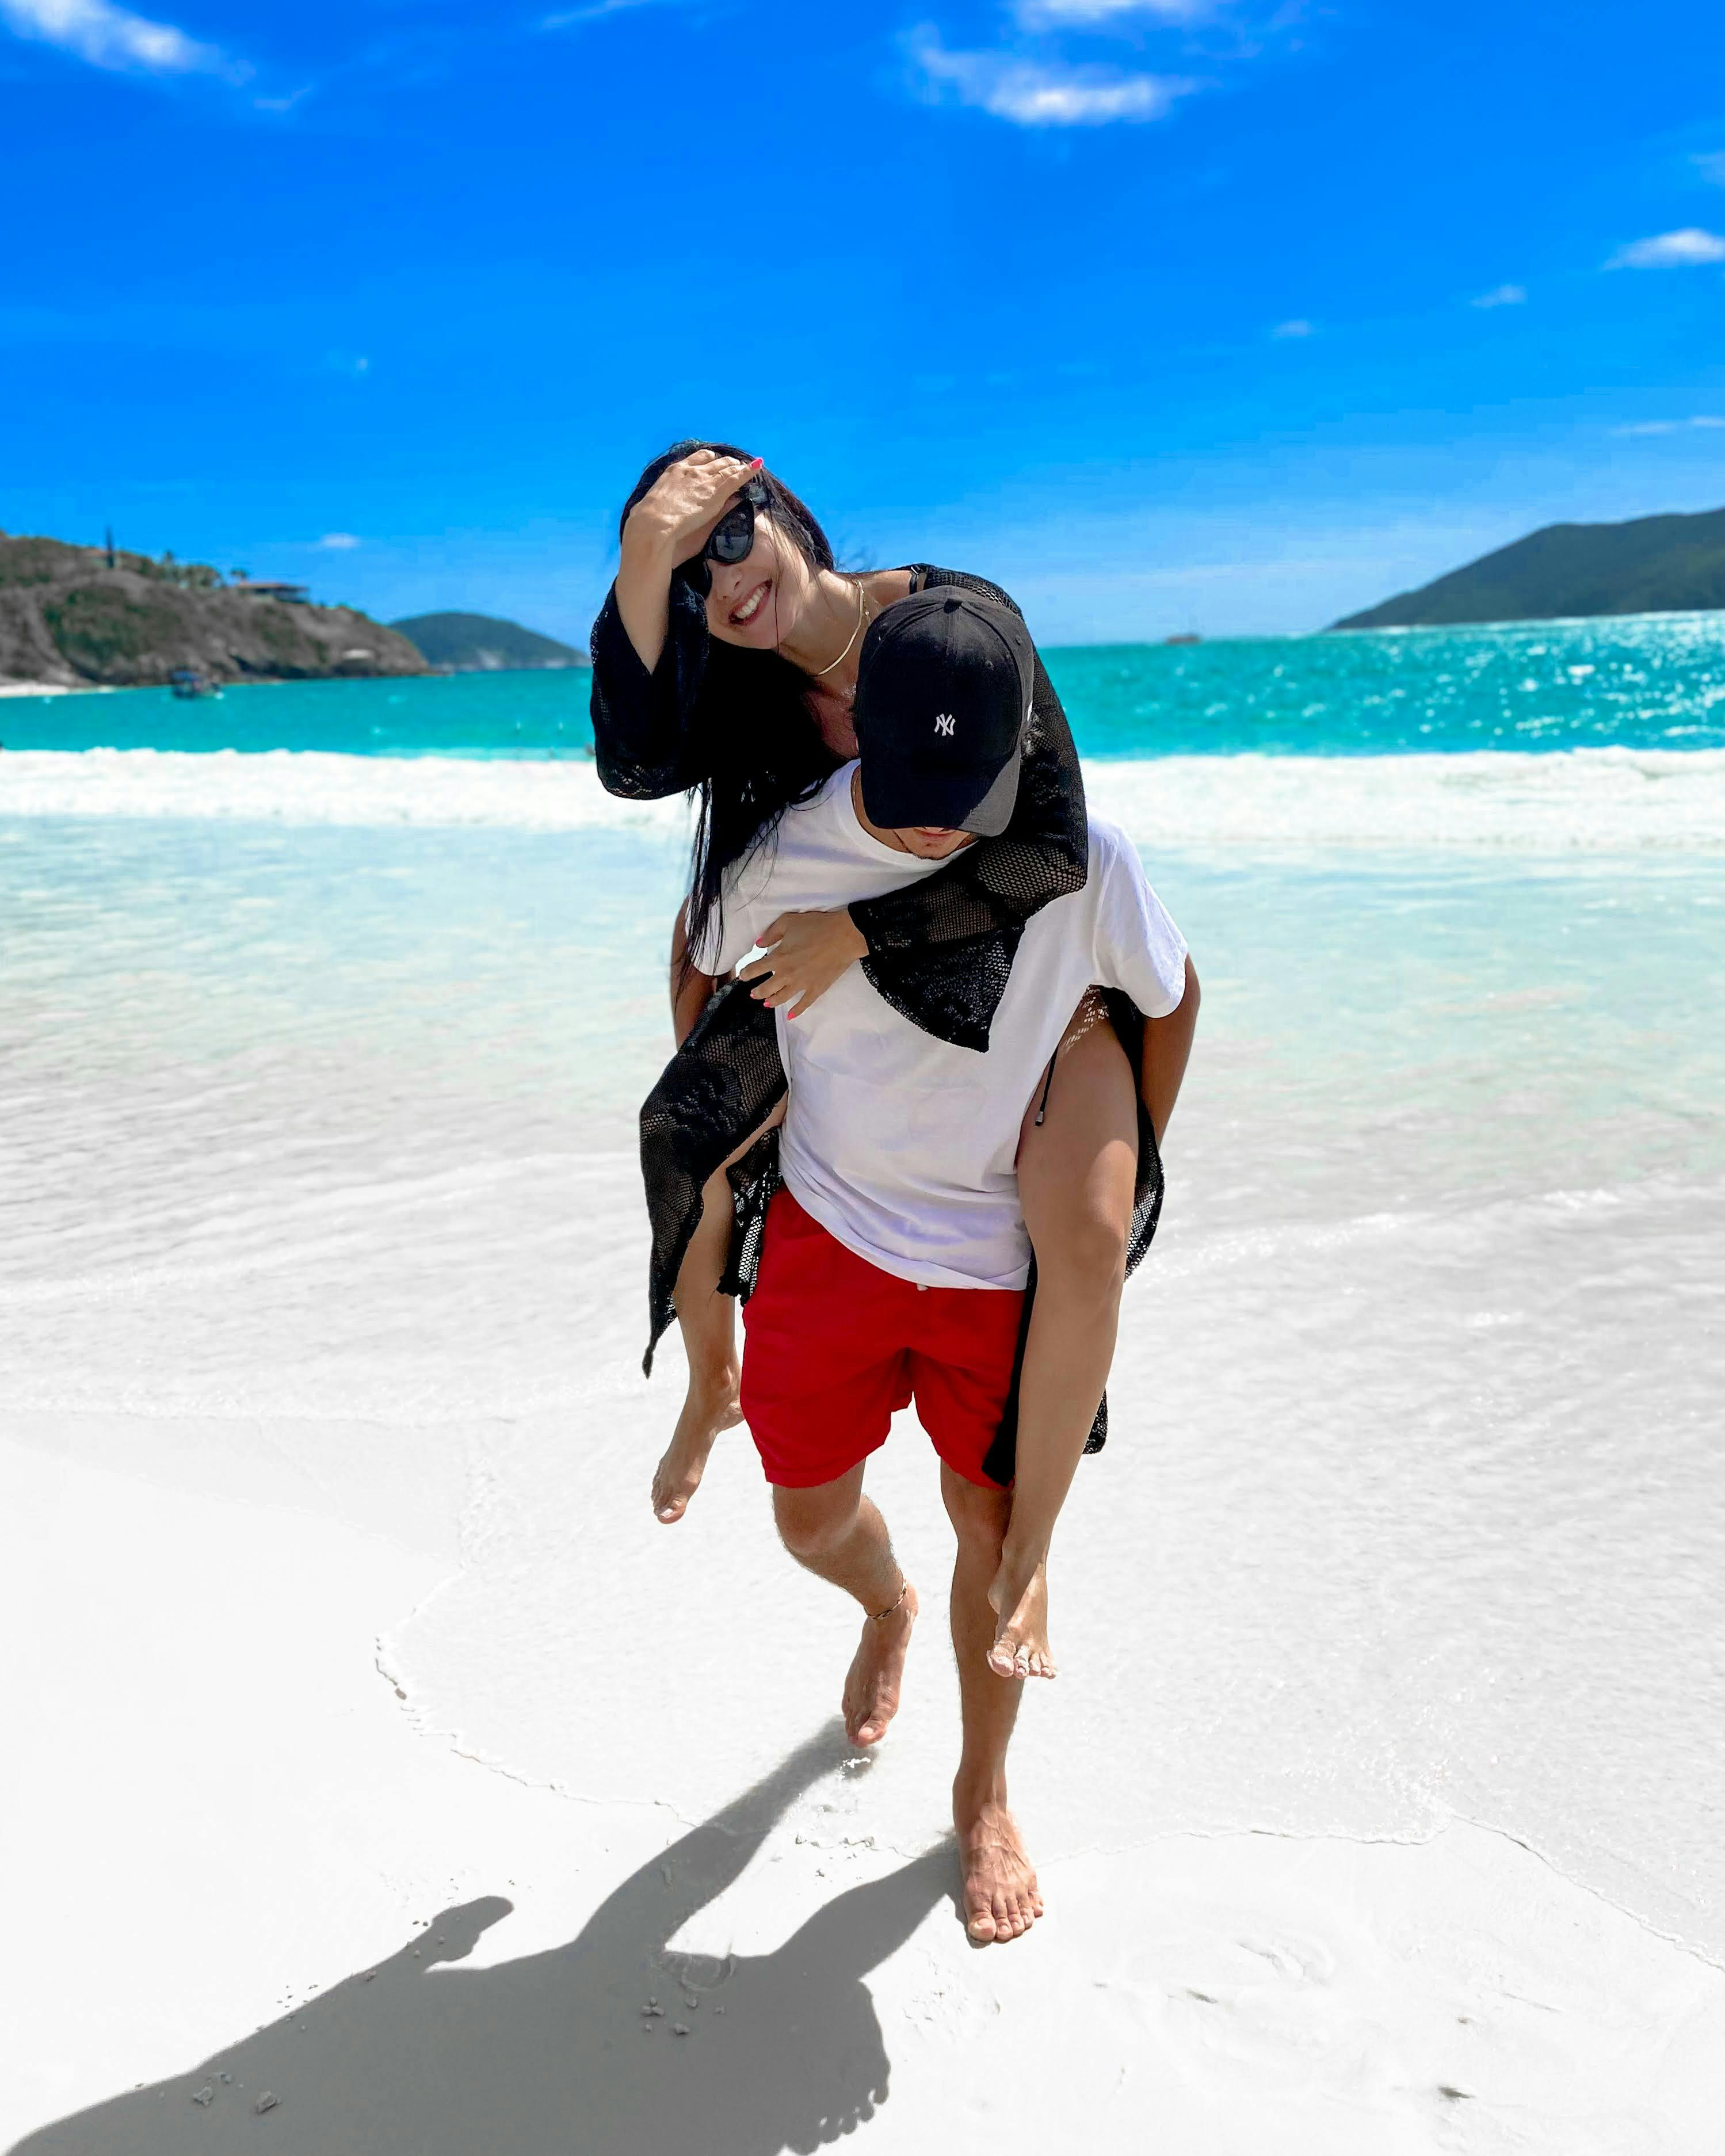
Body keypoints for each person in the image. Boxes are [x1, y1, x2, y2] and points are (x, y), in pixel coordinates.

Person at [590, 442, 1177, 1677]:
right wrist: (644, 560)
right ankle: (710, 1378)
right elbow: (637, 768)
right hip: (820, 960)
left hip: (996, 937)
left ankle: (1027, 1554)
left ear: (781, 507)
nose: (722, 583)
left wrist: (862, 930)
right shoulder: (743, 685)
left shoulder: (958, 627)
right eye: (686, 577)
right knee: (689, 1129)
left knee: (1081, 1233)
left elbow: (1051, 847)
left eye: (728, 535)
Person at [685, 589, 1194, 1941]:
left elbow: (1170, 992)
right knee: (806, 1520)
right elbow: (695, 966)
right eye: (909, 792)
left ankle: (983, 1790)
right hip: (831, 1237)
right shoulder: (783, 855)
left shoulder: (1082, 861)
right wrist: (726, 1119)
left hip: (995, 1263)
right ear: (859, 730)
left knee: (993, 1525)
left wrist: (1118, 1160)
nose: (929, 830)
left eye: (961, 804)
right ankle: (884, 1602)